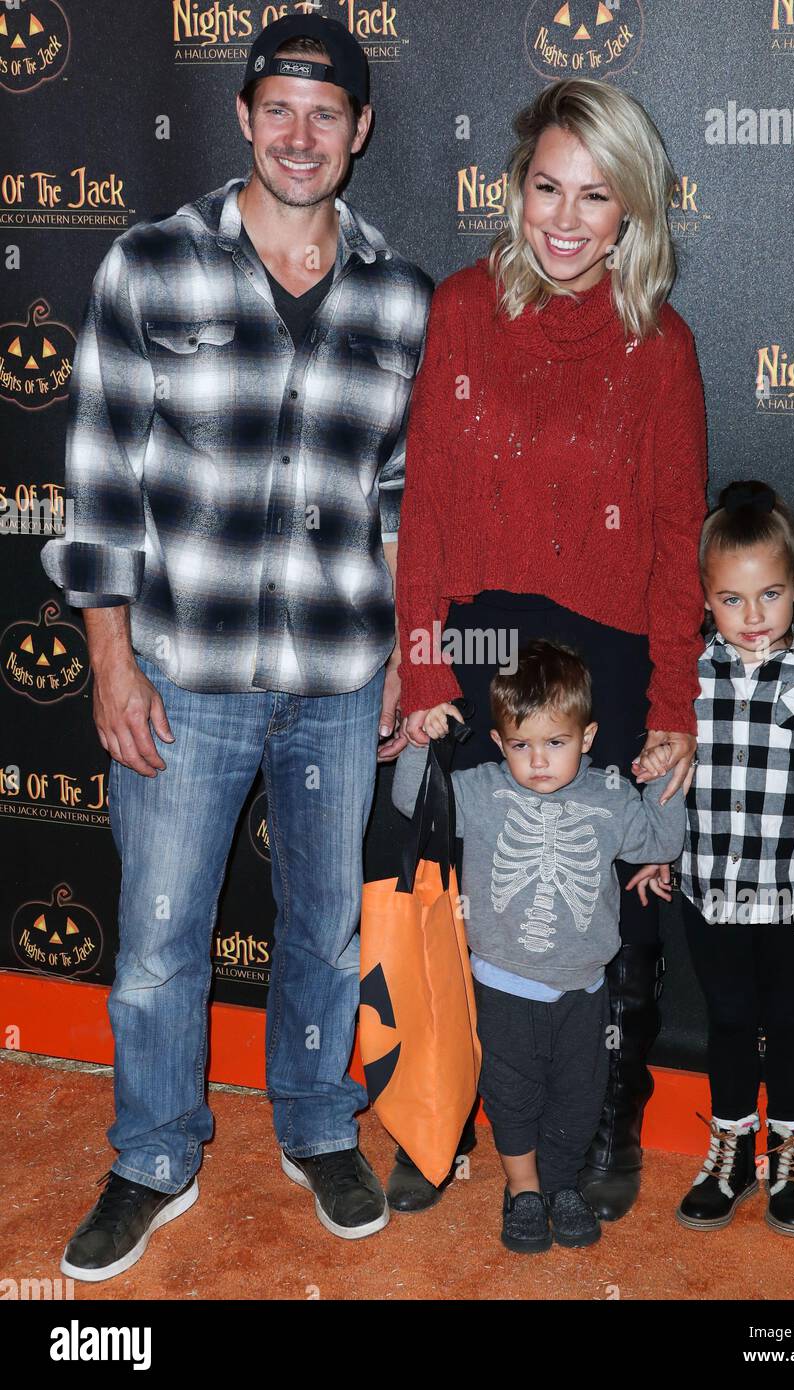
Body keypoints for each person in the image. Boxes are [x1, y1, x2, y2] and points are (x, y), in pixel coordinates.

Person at [40, 13, 431, 1281]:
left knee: (323, 929)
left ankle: (321, 1125)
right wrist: (109, 659)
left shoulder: (401, 299)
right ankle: (154, 1155)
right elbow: (98, 483)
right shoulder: (149, 267)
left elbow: (396, 506)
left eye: (327, 113)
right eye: (279, 108)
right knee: (158, 935)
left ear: (361, 131)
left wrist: (399, 670)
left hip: (335, 679)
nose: (300, 134)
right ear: (245, 116)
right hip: (182, 676)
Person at [389, 78, 707, 1218]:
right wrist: (425, 666)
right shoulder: (464, 309)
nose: (566, 220)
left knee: (612, 908)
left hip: (613, 654)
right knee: (462, 901)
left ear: (633, 213)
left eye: (596, 196)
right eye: (546, 188)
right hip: (477, 646)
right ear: (515, 189)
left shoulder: (659, 346)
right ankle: (443, 1115)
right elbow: (422, 507)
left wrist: (672, 698)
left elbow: (678, 537)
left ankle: (606, 1120)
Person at [636, 480, 794, 1238]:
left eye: (769, 596)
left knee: (789, 1022)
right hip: (712, 889)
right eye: (731, 600)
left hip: (792, 893)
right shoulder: (688, 676)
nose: (751, 617)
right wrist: (657, 842)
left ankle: (790, 1152)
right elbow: (669, 769)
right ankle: (733, 1148)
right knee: (730, 1022)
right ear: (705, 599)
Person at [392, 641, 686, 1253]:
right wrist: (419, 745)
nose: (539, 761)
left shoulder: (609, 796)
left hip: (584, 990)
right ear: (499, 745)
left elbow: (658, 842)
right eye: (521, 745)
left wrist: (669, 780)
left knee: (581, 1098)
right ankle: (523, 1189)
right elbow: (410, 803)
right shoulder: (478, 790)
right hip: (501, 985)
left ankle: (560, 1184)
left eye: (556, 743)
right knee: (511, 1097)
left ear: (588, 737)